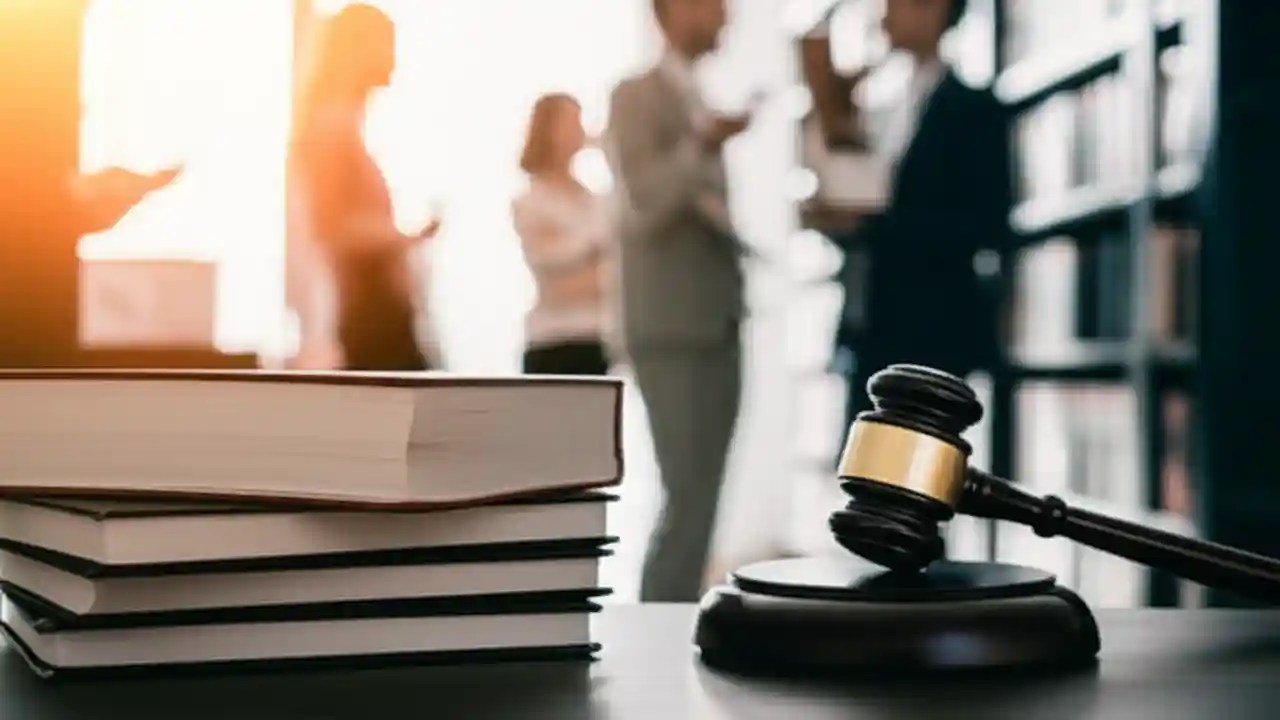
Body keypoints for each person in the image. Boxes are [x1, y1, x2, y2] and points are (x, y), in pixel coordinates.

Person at [607, 0, 752, 602]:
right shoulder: (636, 96)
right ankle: (658, 637)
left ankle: (676, 628)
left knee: (704, 502)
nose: (726, 15)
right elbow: (645, 203)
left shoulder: (698, 96)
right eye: (714, 4)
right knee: (685, 501)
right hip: (671, 327)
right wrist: (701, 145)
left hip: (718, 321)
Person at [821, 0, 1012, 419]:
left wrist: (877, 225)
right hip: (871, 323)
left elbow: (986, 224)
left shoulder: (974, 109)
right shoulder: (874, 106)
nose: (884, 14)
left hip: (932, 330)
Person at [288, 4, 439, 372]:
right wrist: (407, 237)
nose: (393, 59)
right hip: (369, 317)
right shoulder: (329, 129)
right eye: (385, 44)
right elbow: (335, 231)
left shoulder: (347, 128)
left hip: (380, 313)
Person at [512, 93, 612, 376]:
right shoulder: (532, 201)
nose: (579, 131)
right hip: (555, 341)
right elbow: (556, 284)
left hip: (599, 338)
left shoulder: (594, 199)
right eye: (570, 122)